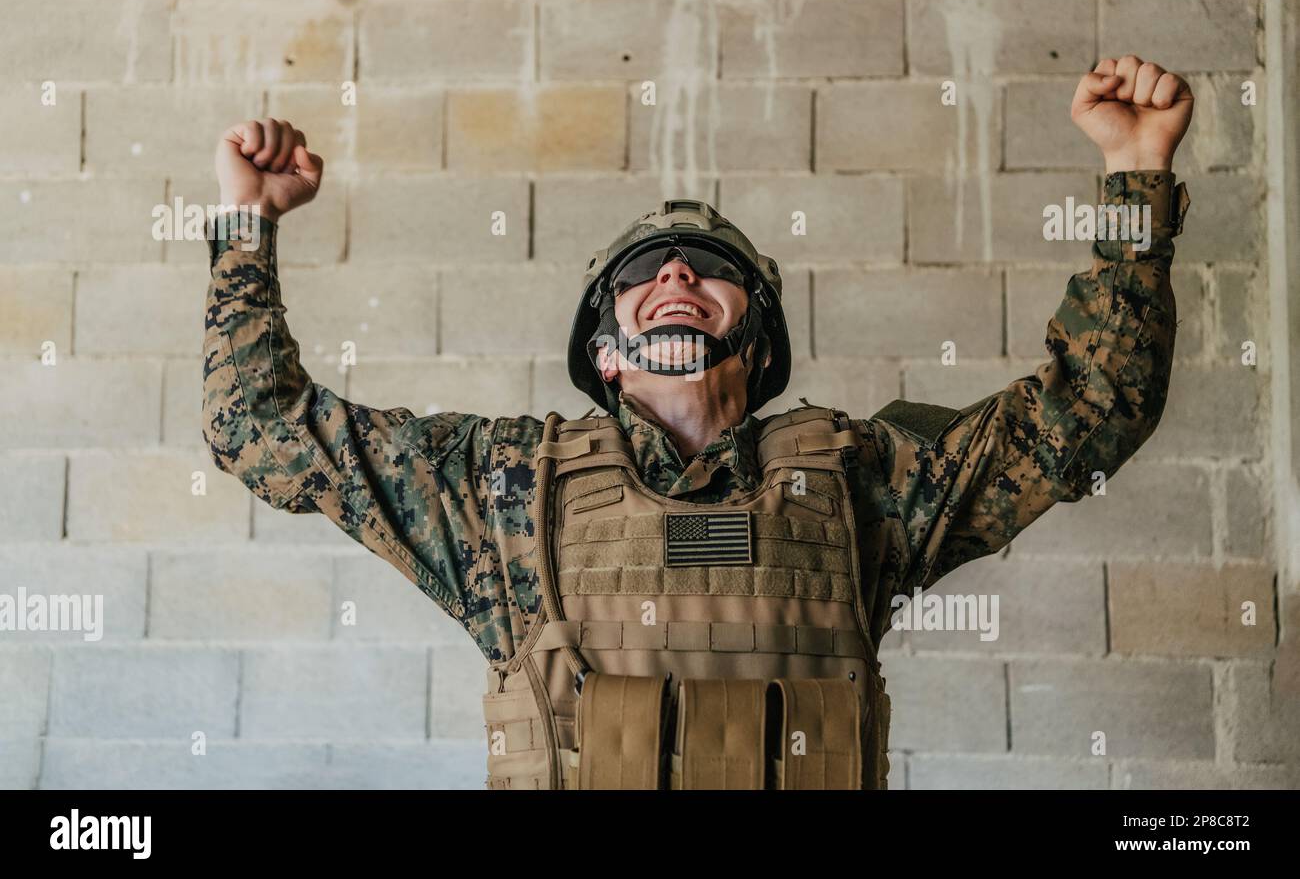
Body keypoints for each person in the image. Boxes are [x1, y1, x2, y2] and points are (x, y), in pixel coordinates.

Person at [204, 55, 1192, 789]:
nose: (674, 275)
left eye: (708, 268)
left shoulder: (859, 477)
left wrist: (1134, 172)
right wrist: (247, 221)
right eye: (639, 275)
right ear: (604, 352)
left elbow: (1087, 413)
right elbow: (258, 423)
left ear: (758, 346)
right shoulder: (500, 487)